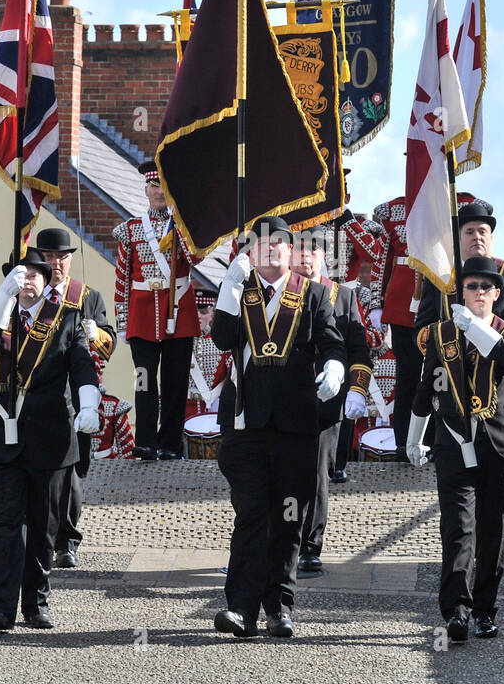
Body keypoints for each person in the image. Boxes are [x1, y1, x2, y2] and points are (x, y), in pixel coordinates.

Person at [210, 216, 346, 639]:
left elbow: (331, 340)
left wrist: (337, 367)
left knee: (288, 516)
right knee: (251, 515)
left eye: (278, 243)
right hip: (246, 423)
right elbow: (221, 336)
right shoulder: (237, 291)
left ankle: (279, 607)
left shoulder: (314, 293)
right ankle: (240, 609)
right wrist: (230, 285)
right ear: (250, 253)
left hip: (294, 426)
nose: (269, 249)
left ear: (291, 250)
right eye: (260, 244)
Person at [0, 252, 101, 630]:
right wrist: (2, 295)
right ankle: (1, 606)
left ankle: (36, 603)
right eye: (19, 274)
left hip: (50, 438)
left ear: (47, 282)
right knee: (7, 522)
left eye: (34, 275)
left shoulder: (67, 319)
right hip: (2, 437)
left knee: (44, 525)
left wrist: (88, 404)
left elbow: (82, 366)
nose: (26, 281)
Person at [407, 256, 504, 642]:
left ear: (496, 294)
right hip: (453, 443)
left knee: (493, 530)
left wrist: (474, 327)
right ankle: (456, 612)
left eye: (485, 287)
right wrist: (414, 436)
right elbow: (426, 389)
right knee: (457, 528)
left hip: (499, 446)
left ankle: (485, 610)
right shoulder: (441, 334)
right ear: (461, 292)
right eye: (471, 286)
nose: (478, 293)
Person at [373, 191, 490, 460]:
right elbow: (384, 261)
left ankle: (441, 441)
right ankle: (404, 442)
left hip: (446, 296)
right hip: (404, 301)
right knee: (409, 377)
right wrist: (377, 302)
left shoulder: (464, 202)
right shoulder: (392, 209)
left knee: (447, 375)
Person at [414, 202, 504, 421]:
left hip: (499, 383)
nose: (477, 237)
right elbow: (421, 330)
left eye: (483, 231)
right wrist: (442, 339)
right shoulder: (439, 278)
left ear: (491, 238)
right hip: (450, 385)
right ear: (458, 238)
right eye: (469, 231)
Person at [290, 226, 372, 576]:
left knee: (317, 472)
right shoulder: (280, 291)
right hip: (286, 395)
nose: (306, 256)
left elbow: (360, 349)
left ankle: (310, 544)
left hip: (326, 398)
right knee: (284, 471)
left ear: (324, 256)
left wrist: (357, 389)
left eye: (313, 250)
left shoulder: (343, 297)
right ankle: (284, 539)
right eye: (300, 249)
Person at [34, 226, 117, 569]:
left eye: (61, 257)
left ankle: (66, 540)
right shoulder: (30, 292)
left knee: (73, 471)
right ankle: (41, 535)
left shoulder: (87, 296)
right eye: (49, 257)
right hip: (40, 395)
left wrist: (97, 335)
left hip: (77, 394)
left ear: (70, 260)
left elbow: (109, 344)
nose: (55, 263)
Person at [112, 161, 200, 461]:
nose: (158, 192)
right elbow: (122, 277)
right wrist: (122, 320)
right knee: (144, 379)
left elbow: (196, 260)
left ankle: (170, 444)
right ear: (145, 191)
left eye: (163, 187)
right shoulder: (132, 230)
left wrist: (183, 228)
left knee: (175, 382)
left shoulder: (185, 227)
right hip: (143, 313)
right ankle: (146, 441)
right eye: (153, 186)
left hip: (179, 310)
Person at [186, 291, 229, 420]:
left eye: (204, 311)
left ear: (212, 314)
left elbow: (233, 377)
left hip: (215, 409)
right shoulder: (178, 344)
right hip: (185, 410)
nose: (198, 316)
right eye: (194, 311)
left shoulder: (223, 342)